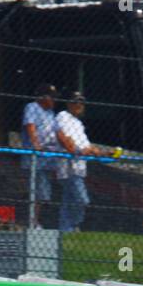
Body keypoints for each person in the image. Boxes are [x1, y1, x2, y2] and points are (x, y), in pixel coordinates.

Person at [54, 91, 110, 234]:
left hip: (79, 167)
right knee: (82, 199)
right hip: (68, 166)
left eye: (81, 102)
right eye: (76, 101)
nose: (79, 104)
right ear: (69, 103)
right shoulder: (63, 116)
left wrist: (102, 152)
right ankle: (73, 226)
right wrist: (78, 149)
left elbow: (87, 146)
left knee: (68, 200)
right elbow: (65, 139)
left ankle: (65, 229)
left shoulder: (78, 123)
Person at [21, 83, 59, 228]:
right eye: (52, 97)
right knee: (37, 190)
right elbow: (30, 126)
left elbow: (55, 132)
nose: (54, 101)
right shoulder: (32, 107)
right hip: (35, 156)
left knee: (43, 193)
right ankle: (32, 221)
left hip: (48, 156)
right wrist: (35, 144)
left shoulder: (50, 113)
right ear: (43, 97)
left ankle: (34, 220)